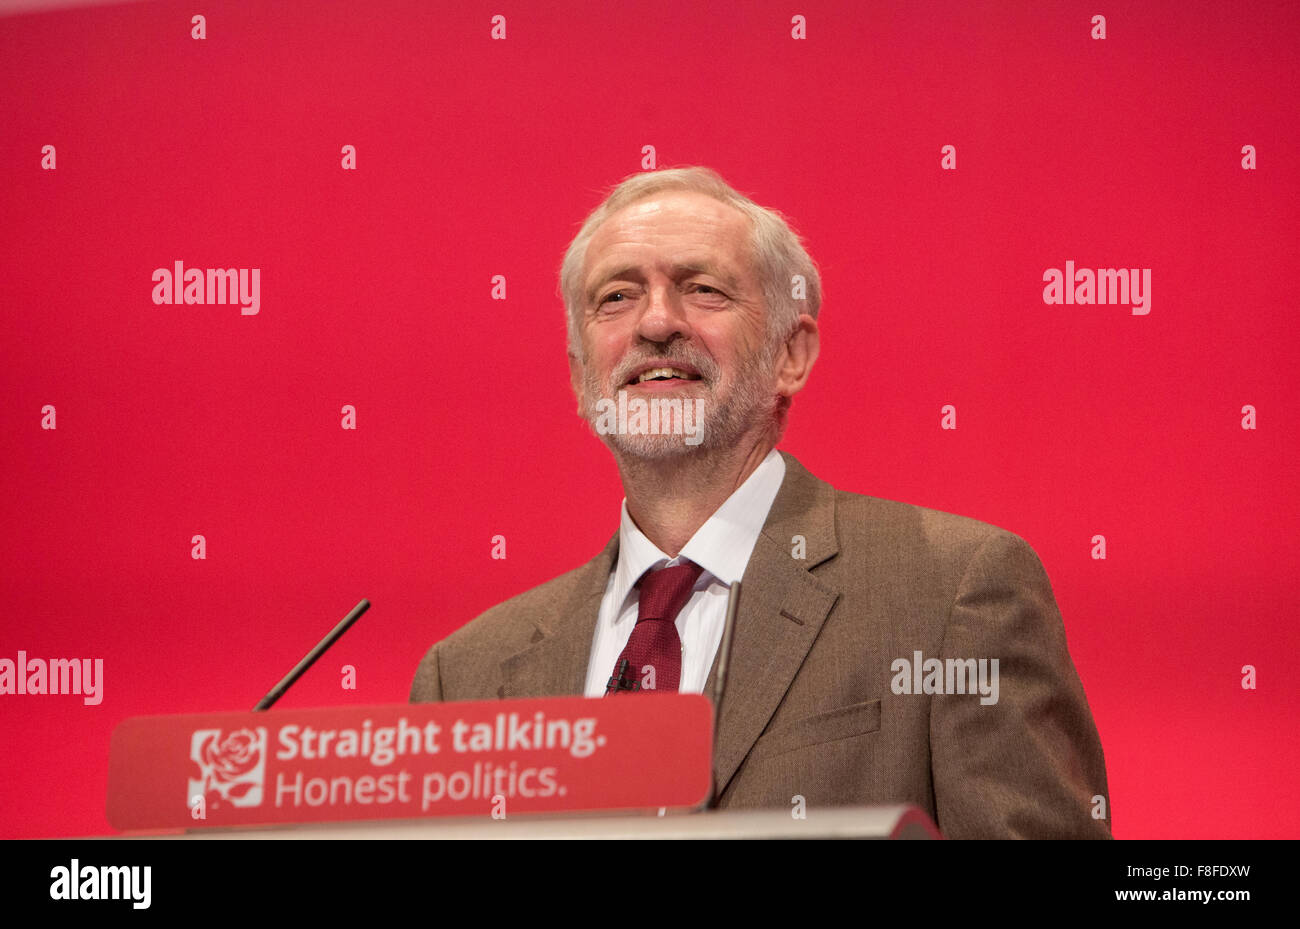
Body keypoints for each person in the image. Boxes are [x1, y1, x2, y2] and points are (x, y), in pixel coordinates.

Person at [410, 166, 1111, 838]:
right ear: (580, 374)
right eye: (616, 297)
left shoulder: (953, 591)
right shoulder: (464, 677)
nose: (656, 322)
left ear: (790, 354)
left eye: (704, 288)